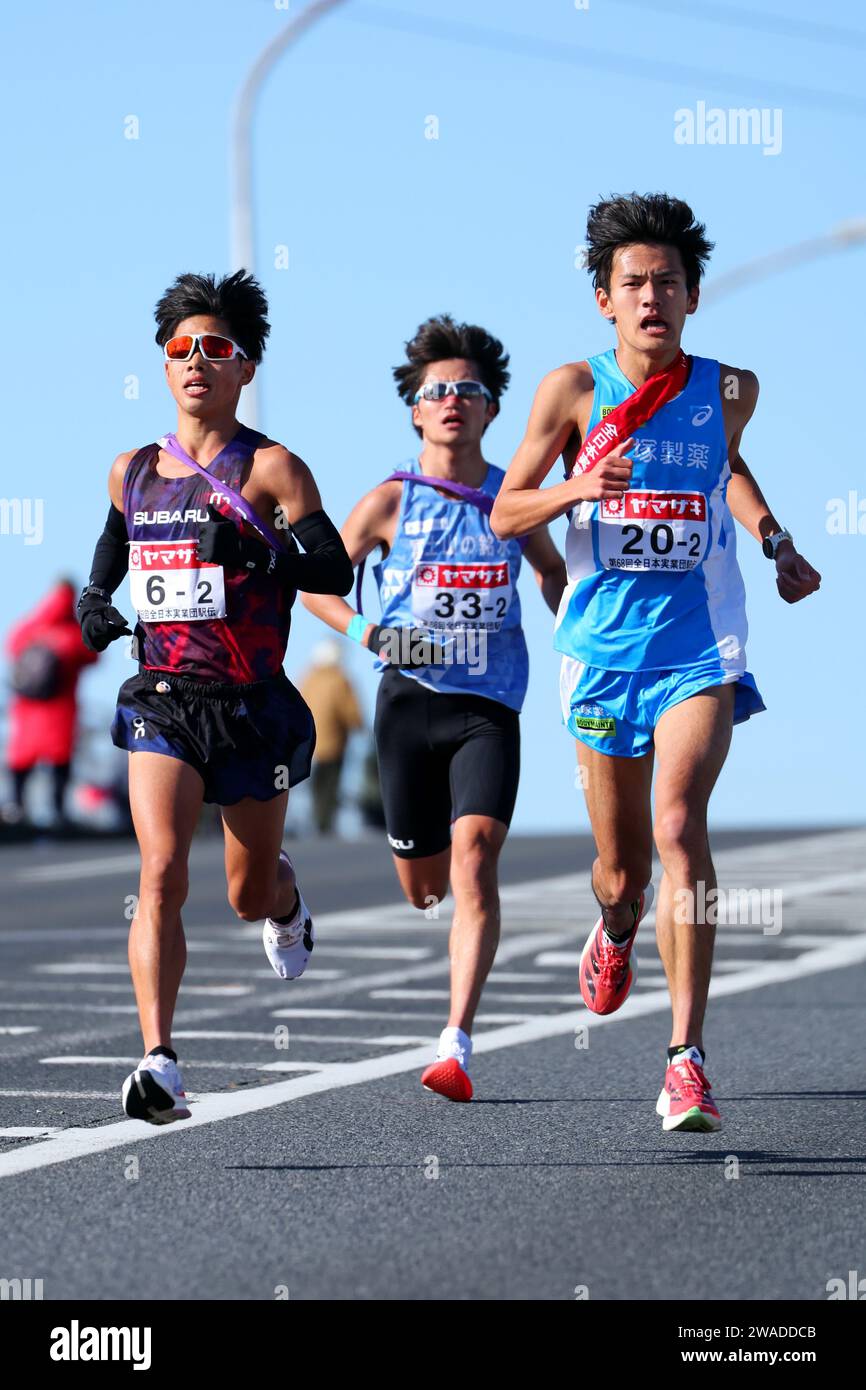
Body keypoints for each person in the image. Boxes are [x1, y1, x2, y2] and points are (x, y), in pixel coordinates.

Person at [491, 193, 820, 1132]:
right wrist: (578, 487)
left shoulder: (729, 389)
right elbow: (504, 513)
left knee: (680, 825)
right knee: (621, 867)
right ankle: (620, 923)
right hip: (598, 652)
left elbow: (729, 466)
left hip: (697, 645)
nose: (651, 299)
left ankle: (686, 1058)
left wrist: (774, 539)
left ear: (693, 296)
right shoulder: (572, 391)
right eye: (633, 284)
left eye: (667, 282)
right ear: (604, 299)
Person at [77, 270, 353, 1124]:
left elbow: (334, 567)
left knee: (244, 892)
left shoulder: (273, 469)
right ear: (164, 367)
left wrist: (263, 553)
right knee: (160, 870)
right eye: (180, 349)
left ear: (246, 366)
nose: (197, 361)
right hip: (162, 696)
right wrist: (94, 599)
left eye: (216, 349)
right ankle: (159, 1060)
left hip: (249, 706)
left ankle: (286, 901)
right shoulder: (133, 469)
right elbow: (115, 548)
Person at [302, 315, 566, 1101]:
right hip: (408, 703)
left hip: (489, 704)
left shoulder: (512, 501)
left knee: (476, 859)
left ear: (492, 411)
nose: (453, 401)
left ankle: (456, 1041)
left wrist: (580, 626)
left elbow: (552, 574)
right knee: (424, 888)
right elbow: (317, 585)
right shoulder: (390, 499)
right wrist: (366, 628)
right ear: (415, 409)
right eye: (437, 391)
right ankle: (430, 899)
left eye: (469, 391)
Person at [4, 578, 97, 827]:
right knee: (59, 760)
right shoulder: (72, 633)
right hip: (60, 710)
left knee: (21, 758)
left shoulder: (30, 627)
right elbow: (92, 656)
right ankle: (58, 811)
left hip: (26, 708)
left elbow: (10, 646)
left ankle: (15, 808)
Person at [299, 640, 364, 834]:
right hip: (333, 743)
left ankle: (319, 820)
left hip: (309, 743)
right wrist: (358, 726)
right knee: (330, 785)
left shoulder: (308, 678)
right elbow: (349, 710)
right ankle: (324, 823)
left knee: (316, 784)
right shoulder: (340, 679)